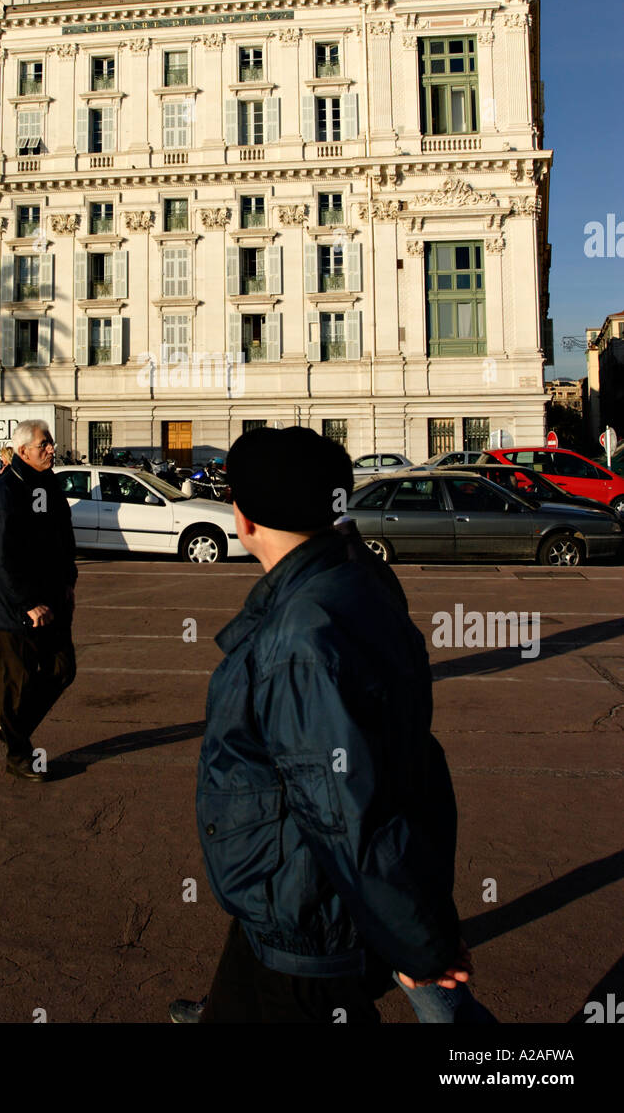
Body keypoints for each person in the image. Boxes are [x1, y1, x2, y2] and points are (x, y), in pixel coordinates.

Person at [175, 426, 493, 1024]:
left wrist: (420, 943)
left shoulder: (301, 636)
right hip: (285, 890)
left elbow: (345, 812)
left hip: (307, 910)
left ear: (245, 520)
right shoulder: (354, 577)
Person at [0, 420, 77, 782]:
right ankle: (18, 754)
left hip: (53, 601)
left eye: (50, 443)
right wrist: (26, 605)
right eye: (43, 444)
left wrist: (68, 581)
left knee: (62, 669)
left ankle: (11, 728)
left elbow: (65, 537)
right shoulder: (6, 492)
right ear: (23, 451)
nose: (51, 449)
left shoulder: (49, 484)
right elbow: (2, 557)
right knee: (14, 686)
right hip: (14, 610)